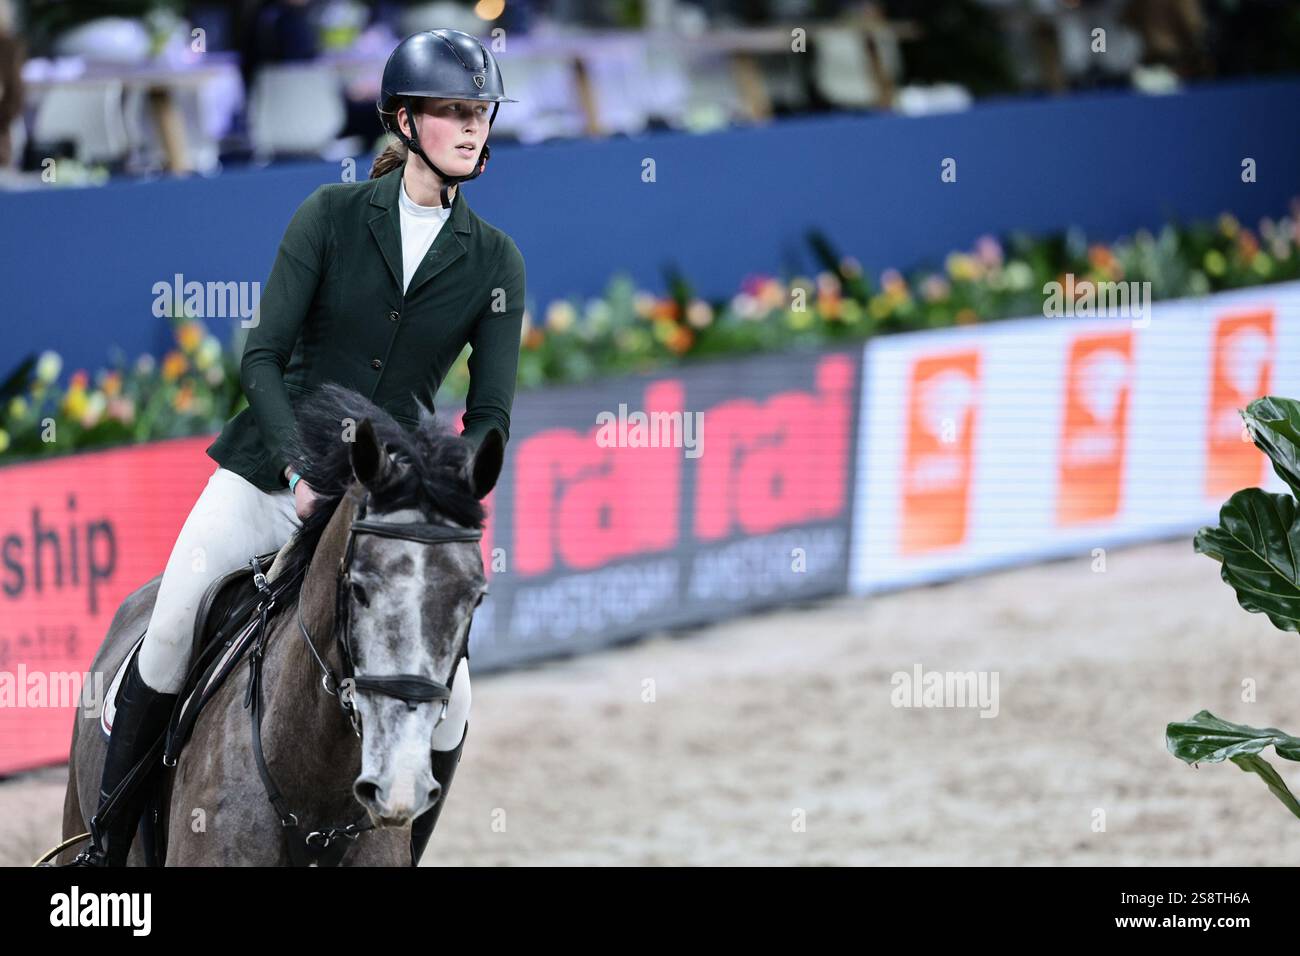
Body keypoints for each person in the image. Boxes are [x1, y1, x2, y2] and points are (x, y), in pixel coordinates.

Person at [70, 28, 525, 866]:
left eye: (481, 112)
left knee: (452, 700)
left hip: (383, 504)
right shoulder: (330, 216)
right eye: (454, 111)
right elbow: (262, 358)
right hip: (268, 475)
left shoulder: (495, 260)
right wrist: (294, 469)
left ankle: (402, 845)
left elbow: (490, 410)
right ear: (403, 119)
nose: (472, 127)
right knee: (169, 629)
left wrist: (451, 483)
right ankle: (105, 848)